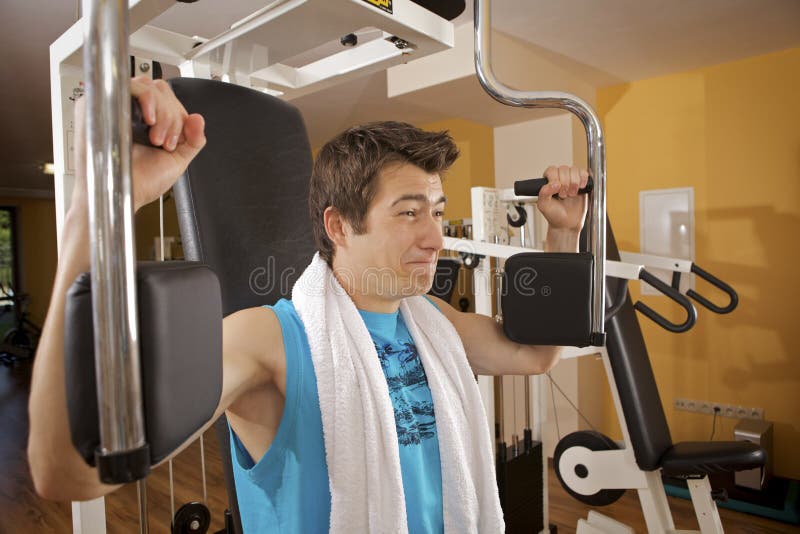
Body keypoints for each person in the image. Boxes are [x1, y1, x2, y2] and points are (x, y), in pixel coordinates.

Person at [28, 78, 590, 532]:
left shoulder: (433, 323)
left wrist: (564, 233)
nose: (435, 237)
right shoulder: (268, 340)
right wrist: (96, 203)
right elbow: (69, 472)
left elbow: (537, 356)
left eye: (437, 211)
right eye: (409, 211)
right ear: (338, 225)